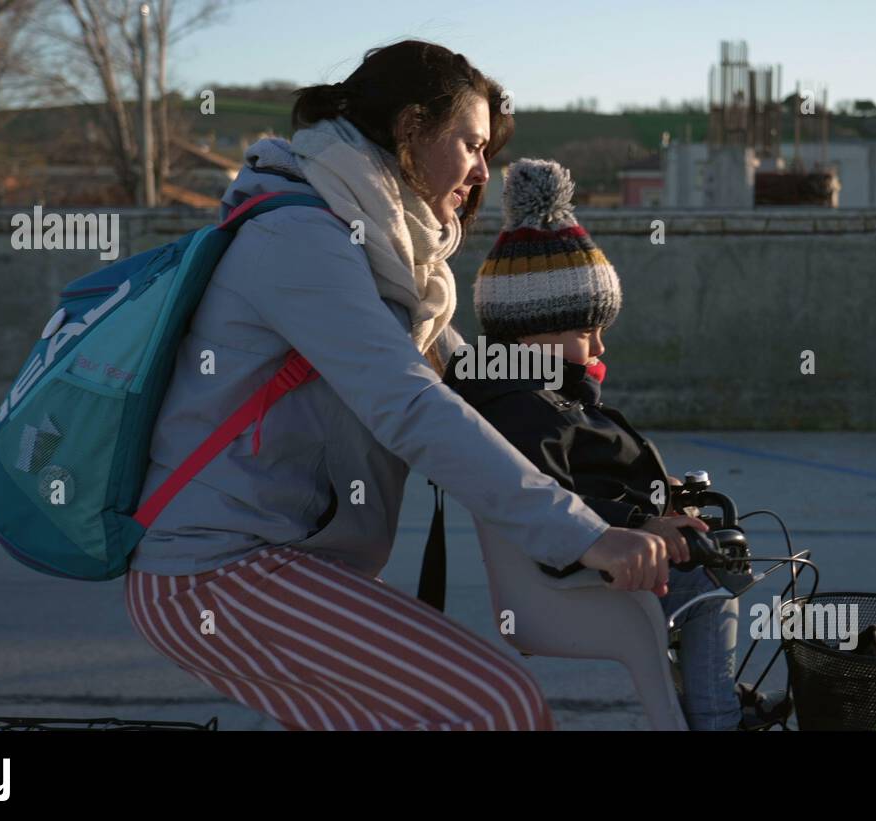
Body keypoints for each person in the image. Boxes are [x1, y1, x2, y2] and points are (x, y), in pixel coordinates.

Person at [122, 40, 676, 731]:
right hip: (213, 573)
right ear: (412, 126)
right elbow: (413, 405)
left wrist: (626, 511)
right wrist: (582, 536)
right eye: (472, 145)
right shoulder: (299, 239)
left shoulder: (384, 253)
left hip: (297, 567)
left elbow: (480, 392)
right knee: (492, 705)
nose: (483, 171)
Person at [442, 158, 744, 730]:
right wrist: (640, 521)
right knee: (708, 584)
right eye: (586, 331)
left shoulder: (544, 392)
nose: (600, 346)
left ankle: (710, 692)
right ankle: (717, 715)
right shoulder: (523, 406)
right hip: (570, 575)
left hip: (594, 555)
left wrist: (661, 496)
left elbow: (588, 479)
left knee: (719, 552)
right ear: (528, 335)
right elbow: (544, 500)